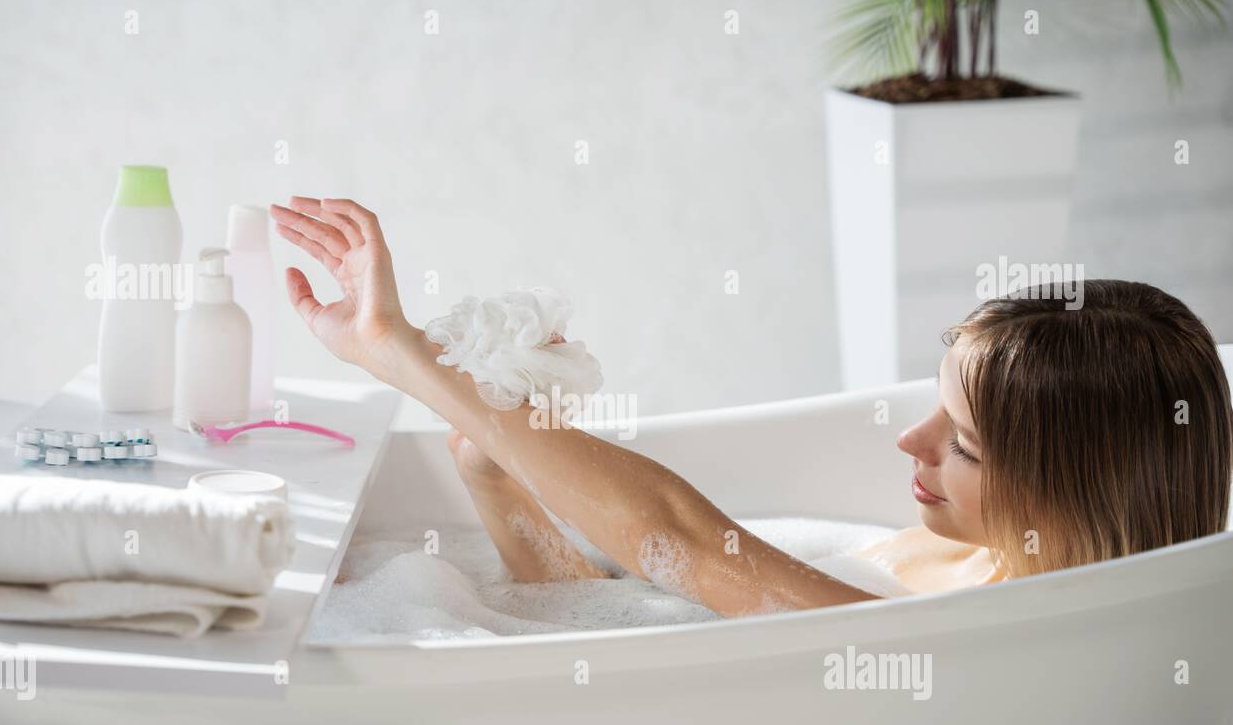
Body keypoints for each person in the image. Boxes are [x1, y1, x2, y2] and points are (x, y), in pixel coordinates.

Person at [270, 197, 1233, 613]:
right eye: (938, 410)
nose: (911, 438)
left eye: (964, 448)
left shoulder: (988, 642)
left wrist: (408, 355)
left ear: (1078, 494)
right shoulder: (948, 559)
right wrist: (498, 462)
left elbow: (681, 542)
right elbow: (596, 617)